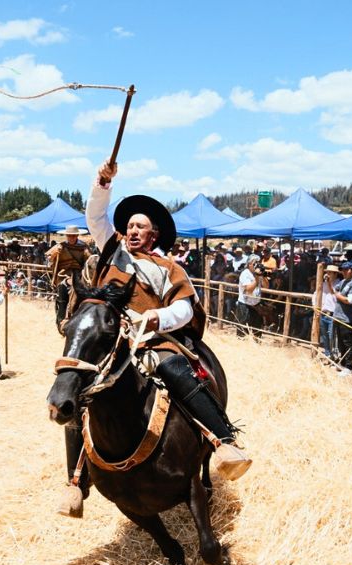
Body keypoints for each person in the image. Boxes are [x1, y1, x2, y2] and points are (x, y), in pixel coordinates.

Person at [62, 161, 251, 517]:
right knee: (73, 388)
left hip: (151, 340)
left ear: (154, 234)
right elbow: (95, 218)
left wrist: (155, 317)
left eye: (140, 227)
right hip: (107, 340)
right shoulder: (112, 250)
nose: (132, 231)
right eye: (130, 225)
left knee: (176, 369)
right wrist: (102, 183)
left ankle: (223, 441)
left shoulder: (169, 268)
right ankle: (74, 483)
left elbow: (183, 308)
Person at [47, 225, 90, 332]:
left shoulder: (83, 247)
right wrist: (54, 255)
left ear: (77, 235)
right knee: (62, 289)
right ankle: (61, 318)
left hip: (79, 275)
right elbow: (49, 259)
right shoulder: (60, 246)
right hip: (63, 275)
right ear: (66, 236)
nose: (71, 238)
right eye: (69, 236)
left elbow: (90, 260)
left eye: (73, 236)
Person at [327, 261, 352, 373]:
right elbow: (333, 291)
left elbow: (349, 300)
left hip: (347, 318)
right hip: (338, 316)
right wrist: (328, 282)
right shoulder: (343, 282)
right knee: (340, 343)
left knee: (348, 343)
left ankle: (349, 366)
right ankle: (342, 364)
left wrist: (337, 295)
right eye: (343, 270)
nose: (344, 272)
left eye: (347, 269)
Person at [237, 254, 264, 337]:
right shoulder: (245, 274)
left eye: (258, 262)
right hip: (245, 305)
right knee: (243, 331)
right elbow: (249, 290)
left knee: (257, 331)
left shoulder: (258, 274)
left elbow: (266, 286)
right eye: (255, 263)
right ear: (249, 264)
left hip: (256, 305)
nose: (257, 265)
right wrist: (257, 278)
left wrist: (263, 275)